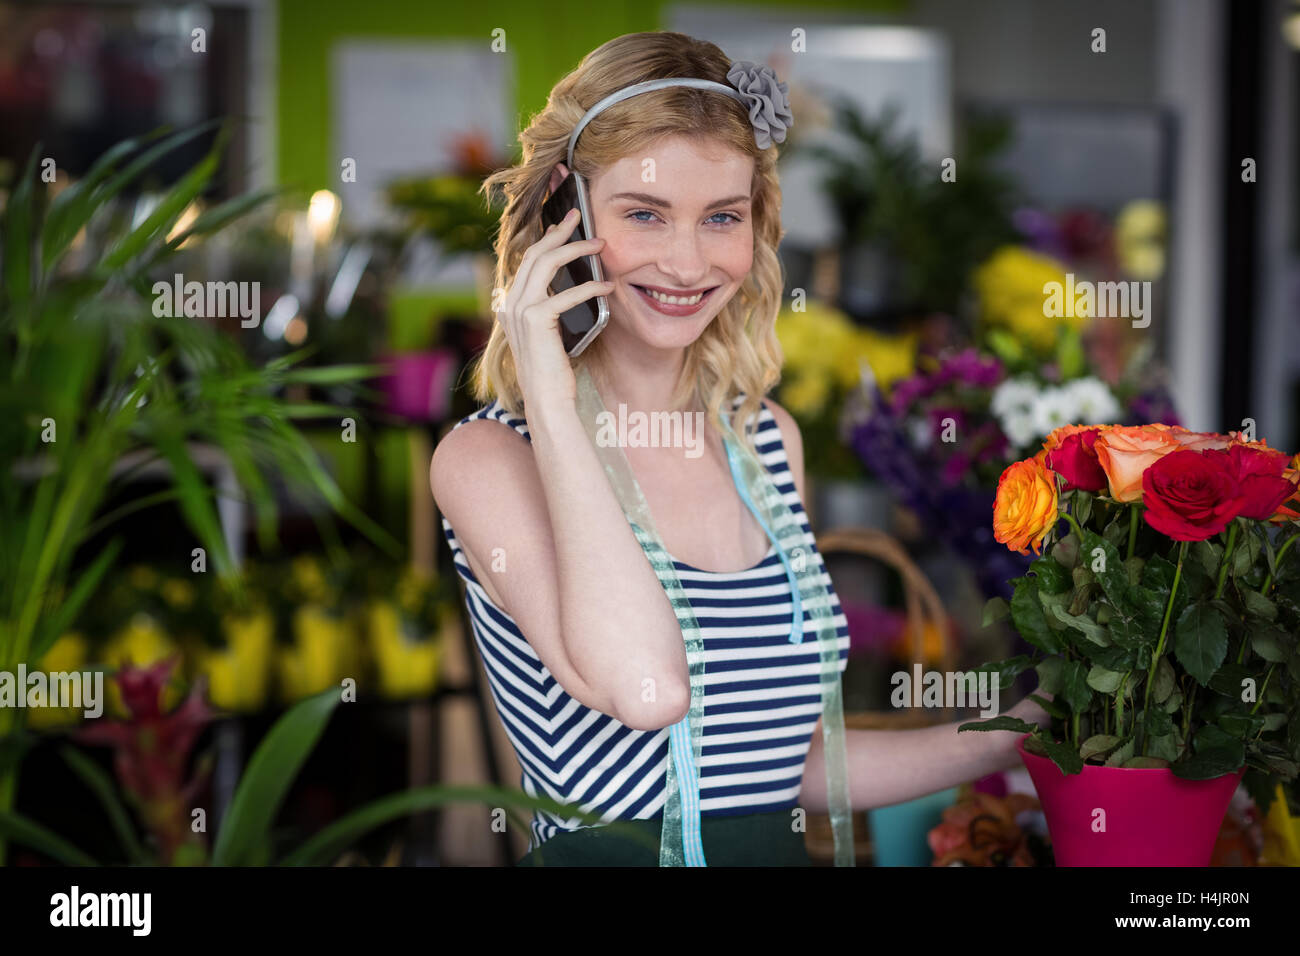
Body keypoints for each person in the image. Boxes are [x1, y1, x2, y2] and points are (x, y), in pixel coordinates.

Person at [430, 30, 1047, 866]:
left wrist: (1022, 731)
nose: (687, 263)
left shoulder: (765, 442)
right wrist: (550, 391)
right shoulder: (489, 459)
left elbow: (783, 766)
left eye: (722, 217)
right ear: (561, 212)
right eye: (645, 214)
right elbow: (648, 691)